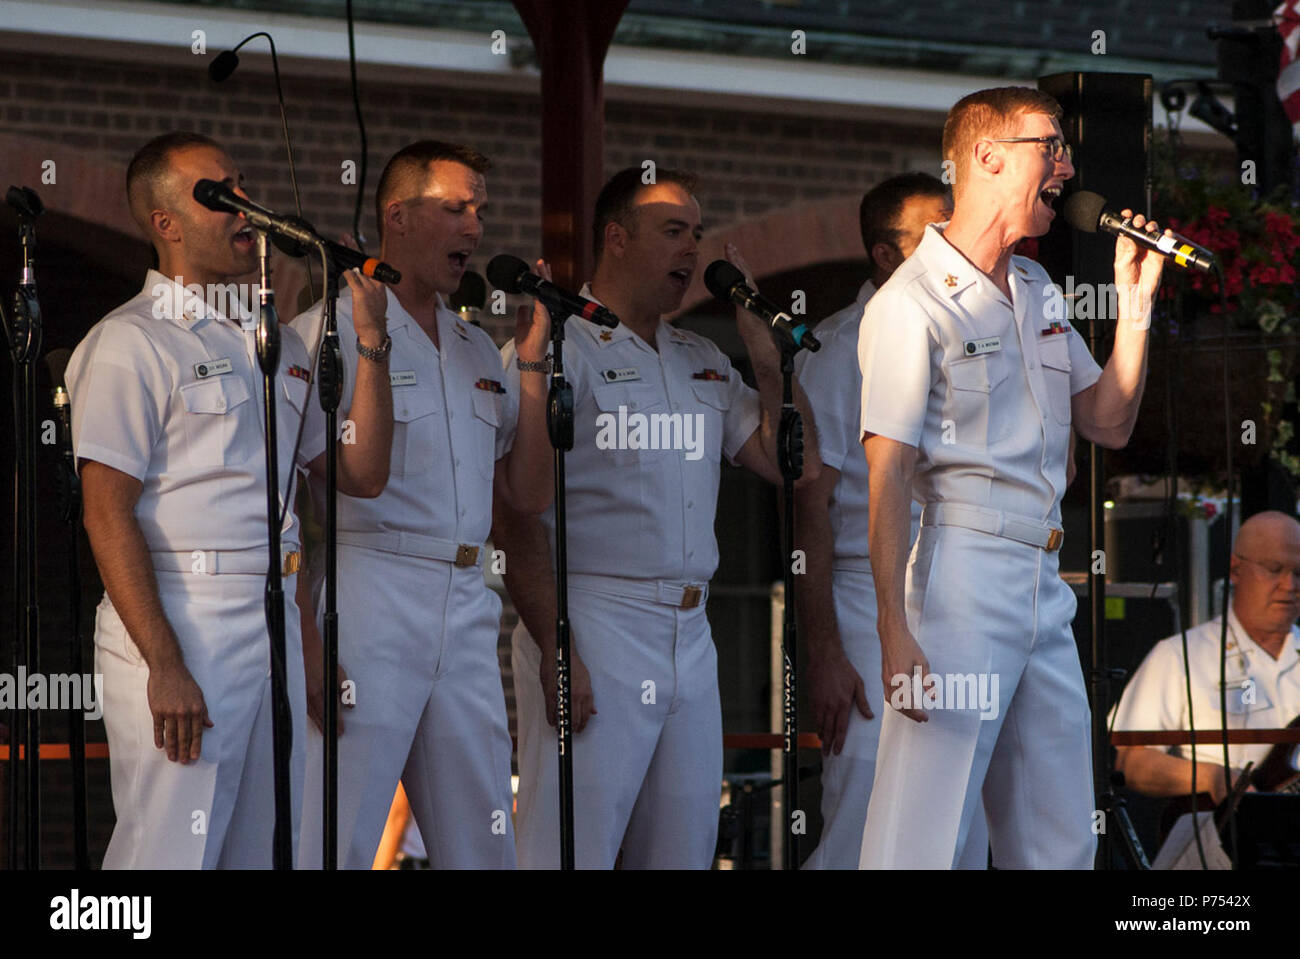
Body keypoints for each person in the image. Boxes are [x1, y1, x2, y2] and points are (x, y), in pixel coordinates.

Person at [857, 86, 1167, 869]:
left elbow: (1108, 421)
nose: (1065, 167)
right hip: (961, 571)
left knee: (1060, 838)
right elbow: (887, 471)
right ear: (987, 156)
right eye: (1050, 147)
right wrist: (894, 629)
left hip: (1043, 577)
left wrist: (1134, 309)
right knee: (925, 837)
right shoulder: (911, 302)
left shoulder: (1038, 291)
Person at [66, 131, 391, 868]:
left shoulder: (274, 339)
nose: (245, 209)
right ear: (166, 224)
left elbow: (357, 474)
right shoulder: (130, 341)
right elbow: (105, 510)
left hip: (271, 614)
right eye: (218, 195)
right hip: (184, 614)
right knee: (169, 853)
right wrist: (165, 662)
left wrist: (372, 341)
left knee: (261, 850)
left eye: (243, 186)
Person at [496, 167, 820, 869]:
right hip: (595, 617)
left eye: (698, 235)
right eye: (674, 232)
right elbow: (513, 514)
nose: (693, 251)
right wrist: (559, 647)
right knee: (567, 847)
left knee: (685, 848)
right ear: (616, 238)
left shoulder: (700, 357)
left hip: (691, 630)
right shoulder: (555, 348)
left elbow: (795, 463)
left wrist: (765, 357)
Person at [292, 140, 552, 870]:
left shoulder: (473, 346)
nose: (474, 227)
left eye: (481, 210)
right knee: (332, 831)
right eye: (455, 208)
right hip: (370, 589)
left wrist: (530, 361)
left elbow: (526, 495)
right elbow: (304, 485)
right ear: (397, 217)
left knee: (484, 838)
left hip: (469, 599)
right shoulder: (328, 329)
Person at [795, 172, 995, 869]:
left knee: (957, 820)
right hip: (860, 589)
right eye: (932, 232)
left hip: (957, 589)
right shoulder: (834, 347)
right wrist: (823, 649)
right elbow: (809, 504)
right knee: (862, 814)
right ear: (885, 255)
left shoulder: (978, 325)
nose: (952, 245)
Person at [1113, 511, 1300, 807]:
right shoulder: (1180, 655)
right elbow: (1131, 761)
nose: (1289, 585)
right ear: (1235, 569)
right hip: (1219, 837)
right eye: (1274, 569)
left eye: (1299, 573)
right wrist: (1212, 778)